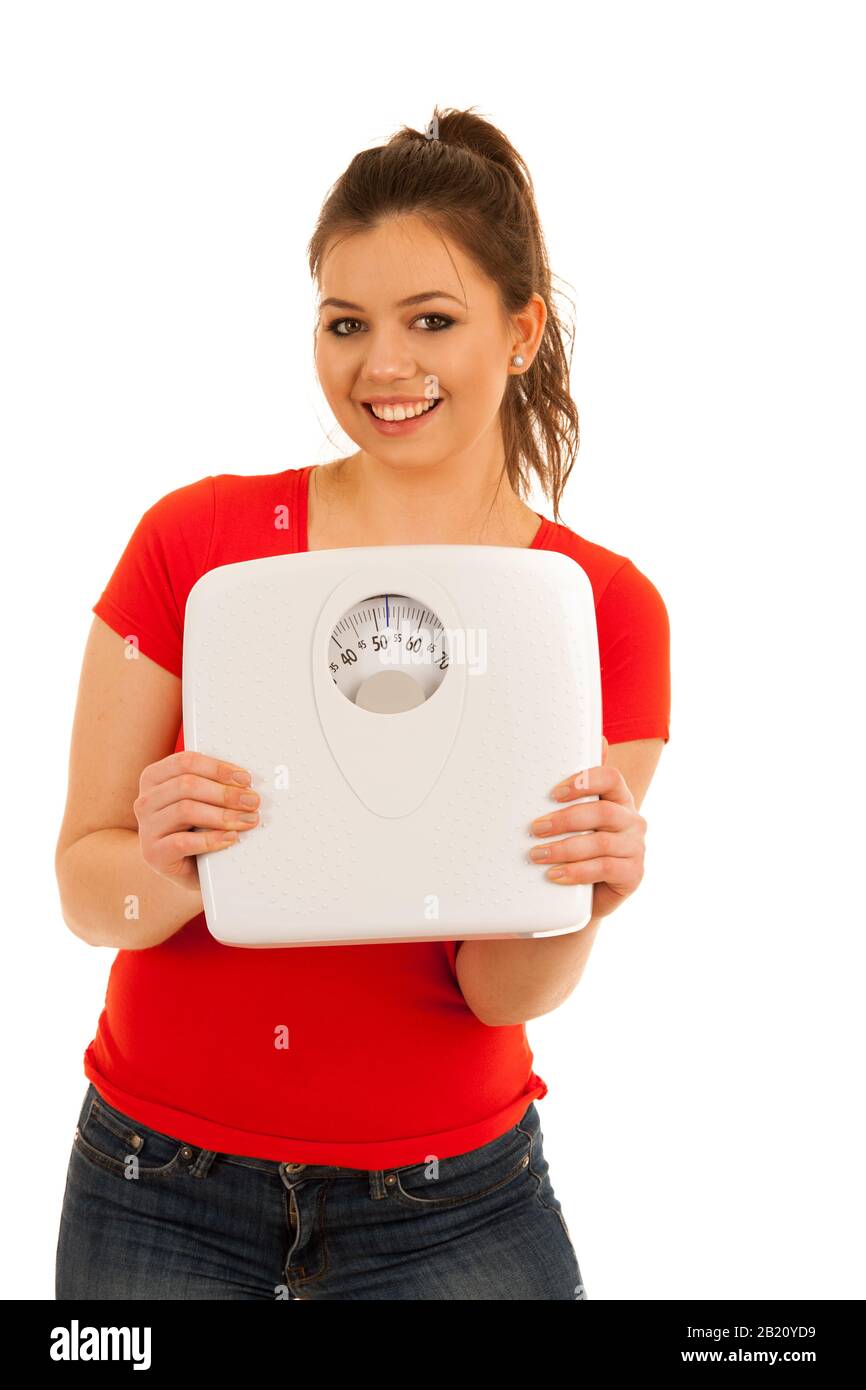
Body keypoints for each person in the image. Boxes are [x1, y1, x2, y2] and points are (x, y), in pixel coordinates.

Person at [54, 105, 670, 1301]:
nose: (380, 367)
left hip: (451, 1205)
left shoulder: (599, 609)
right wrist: (173, 861)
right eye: (346, 324)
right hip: (155, 1184)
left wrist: (579, 895)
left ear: (520, 331)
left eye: (429, 321)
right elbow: (88, 889)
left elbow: (496, 989)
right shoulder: (199, 546)